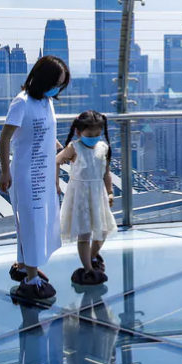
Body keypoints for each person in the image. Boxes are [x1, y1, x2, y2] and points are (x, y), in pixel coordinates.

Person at [0, 55, 69, 303]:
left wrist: (59, 147)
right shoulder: (21, 103)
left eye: (61, 84)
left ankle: (25, 264)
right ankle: (31, 277)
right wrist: (4, 171)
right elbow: (6, 138)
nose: (57, 88)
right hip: (26, 174)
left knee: (42, 220)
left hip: (44, 172)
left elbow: (45, 131)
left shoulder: (46, 102)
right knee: (30, 221)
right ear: (43, 79)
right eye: (56, 82)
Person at [57, 109, 116, 287]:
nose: (94, 137)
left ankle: (91, 257)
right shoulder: (74, 147)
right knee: (84, 233)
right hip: (80, 194)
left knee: (103, 230)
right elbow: (57, 160)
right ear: (79, 132)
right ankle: (88, 269)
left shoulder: (103, 147)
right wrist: (56, 183)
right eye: (90, 134)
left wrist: (110, 191)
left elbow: (106, 172)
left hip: (98, 193)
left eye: (98, 134)